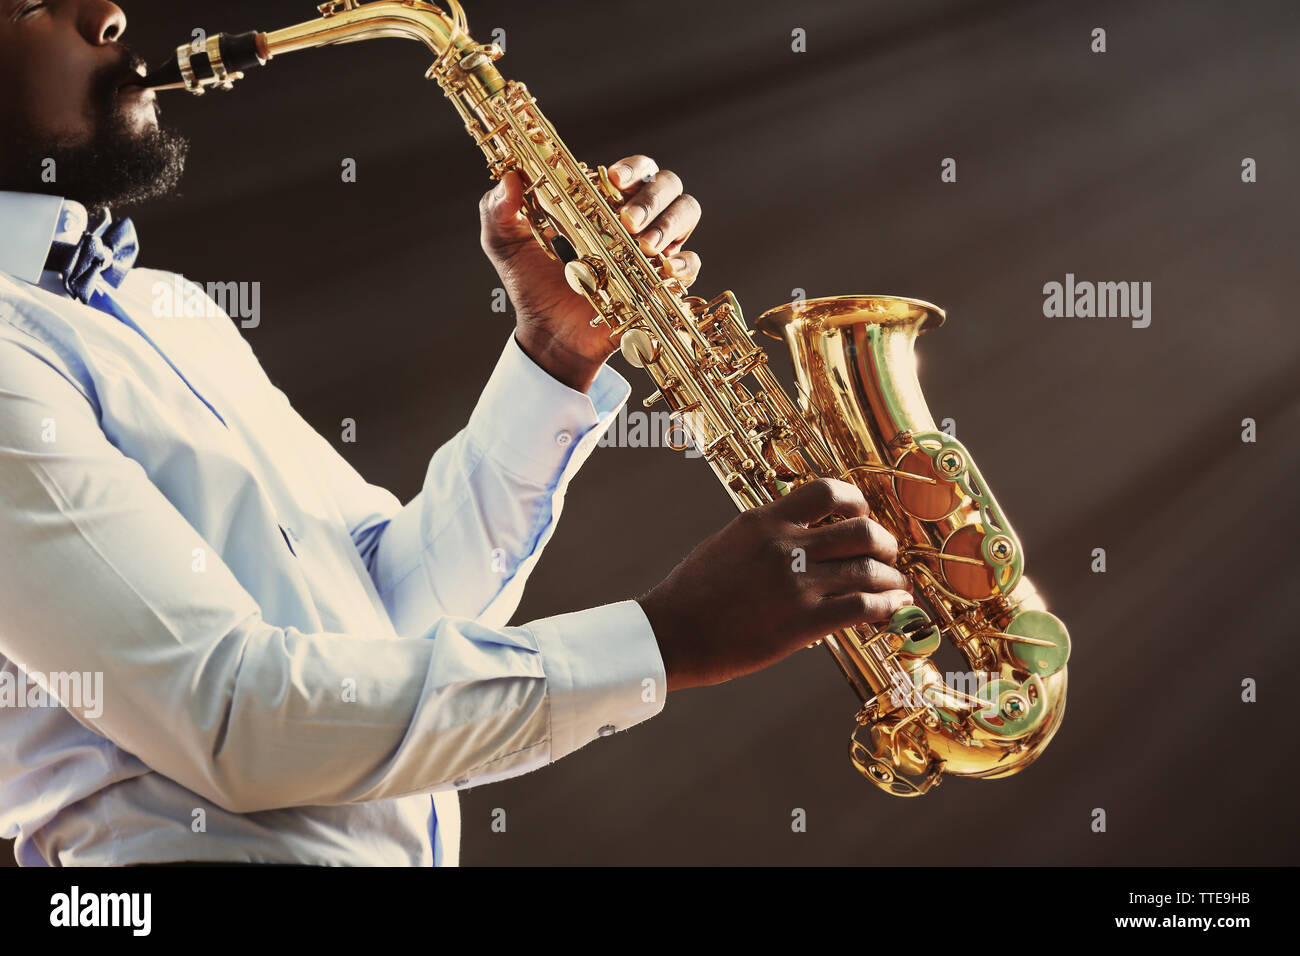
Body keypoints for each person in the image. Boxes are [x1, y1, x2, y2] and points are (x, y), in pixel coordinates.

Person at [0, 0, 914, 866]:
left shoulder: (165, 308)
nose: (107, 13)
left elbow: (387, 614)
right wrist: (666, 638)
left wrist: (553, 353)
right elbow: (235, 716)